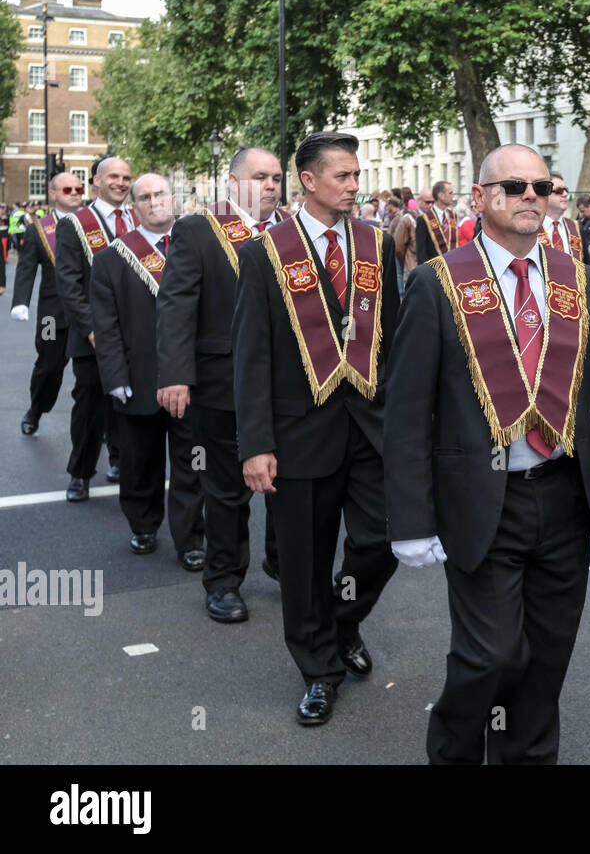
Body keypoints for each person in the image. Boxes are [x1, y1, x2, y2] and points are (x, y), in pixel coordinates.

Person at [385, 143, 590, 764]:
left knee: (547, 656)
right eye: (514, 186)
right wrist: (411, 519)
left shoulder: (577, 279)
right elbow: (404, 415)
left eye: (540, 185)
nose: (531, 196)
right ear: (481, 199)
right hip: (481, 500)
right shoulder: (436, 282)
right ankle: (454, 752)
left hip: (563, 497)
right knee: (490, 655)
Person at [233, 132, 400, 725]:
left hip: (371, 428)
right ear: (309, 180)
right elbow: (249, 355)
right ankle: (319, 670)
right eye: (343, 176)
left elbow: (395, 340)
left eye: (357, 175)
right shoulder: (265, 253)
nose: (355, 186)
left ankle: (342, 620)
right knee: (303, 562)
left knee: (385, 539)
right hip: (298, 433)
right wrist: (255, 445)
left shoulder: (376, 244)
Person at [156, 146, 285, 623]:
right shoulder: (198, 230)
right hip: (221, 382)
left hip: (285, 386)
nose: (271, 185)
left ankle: (284, 563)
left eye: (275, 177)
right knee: (226, 489)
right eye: (259, 177)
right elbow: (175, 304)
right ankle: (224, 581)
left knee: (288, 484)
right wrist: (174, 374)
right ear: (233, 184)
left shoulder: (290, 232)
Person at [90, 174, 205, 567]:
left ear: (173, 199)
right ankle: (143, 525)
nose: (154, 201)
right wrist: (115, 378)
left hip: (193, 379)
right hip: (137, 380)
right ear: (133, 207)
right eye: (144, 197)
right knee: (141, 463)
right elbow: (105, 327)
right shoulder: (111, 259)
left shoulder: (201, 249)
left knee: (193, 464)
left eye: (160, 194)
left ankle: (191, 539)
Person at [55, 155, 132, 502]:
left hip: (134, 333)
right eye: (113, 176)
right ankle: (81, 472)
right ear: (96, 182)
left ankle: (120, 460)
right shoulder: (74, 224)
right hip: (92, 336)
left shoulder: (140, 219)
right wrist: (91, 329)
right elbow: (69, 284)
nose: (120, 182)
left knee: (129, 403)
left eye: (126, 177)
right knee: (89, 406)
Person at [10, 173, 79, 436]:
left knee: (96, 375)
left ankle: (103, 423)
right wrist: (20, 302)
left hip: (89, 312)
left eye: (77, 188)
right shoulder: (38, 230)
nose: (74, 192)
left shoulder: (92, 226)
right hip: (52, 315)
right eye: (67, 189)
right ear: (53, 194)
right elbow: (26, 269)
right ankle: (36, 410)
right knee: (48, 367)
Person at [539, 172, 585, 261]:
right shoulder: (532, 228)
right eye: (559, 191)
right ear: (545, 195)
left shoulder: (576, 227)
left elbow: (586, 264)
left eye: (566, 190)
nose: (565, 194)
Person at [415, 181, 458, 262]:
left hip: (452, 266)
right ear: (441, 195)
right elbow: (421, 252)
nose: (453, 196)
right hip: (433, 269)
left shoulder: (453, 215)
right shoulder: (424, 219)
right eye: (450, 193)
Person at [387, 194, 419, 292]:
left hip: (408, 259)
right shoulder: (410, 217)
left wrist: (401, 258)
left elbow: (398, 245)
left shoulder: (404, 219)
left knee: (401, 280)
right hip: (410, 258)